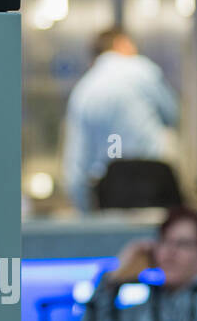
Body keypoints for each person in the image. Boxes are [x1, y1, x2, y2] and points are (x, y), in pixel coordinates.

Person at [62, 27, 178, 212]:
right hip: (152, 182)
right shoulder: (142, 71)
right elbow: (171, 115)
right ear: (121, 43)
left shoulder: (83, 90)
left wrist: (83, 212)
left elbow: (77, 160)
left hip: (108, 190)